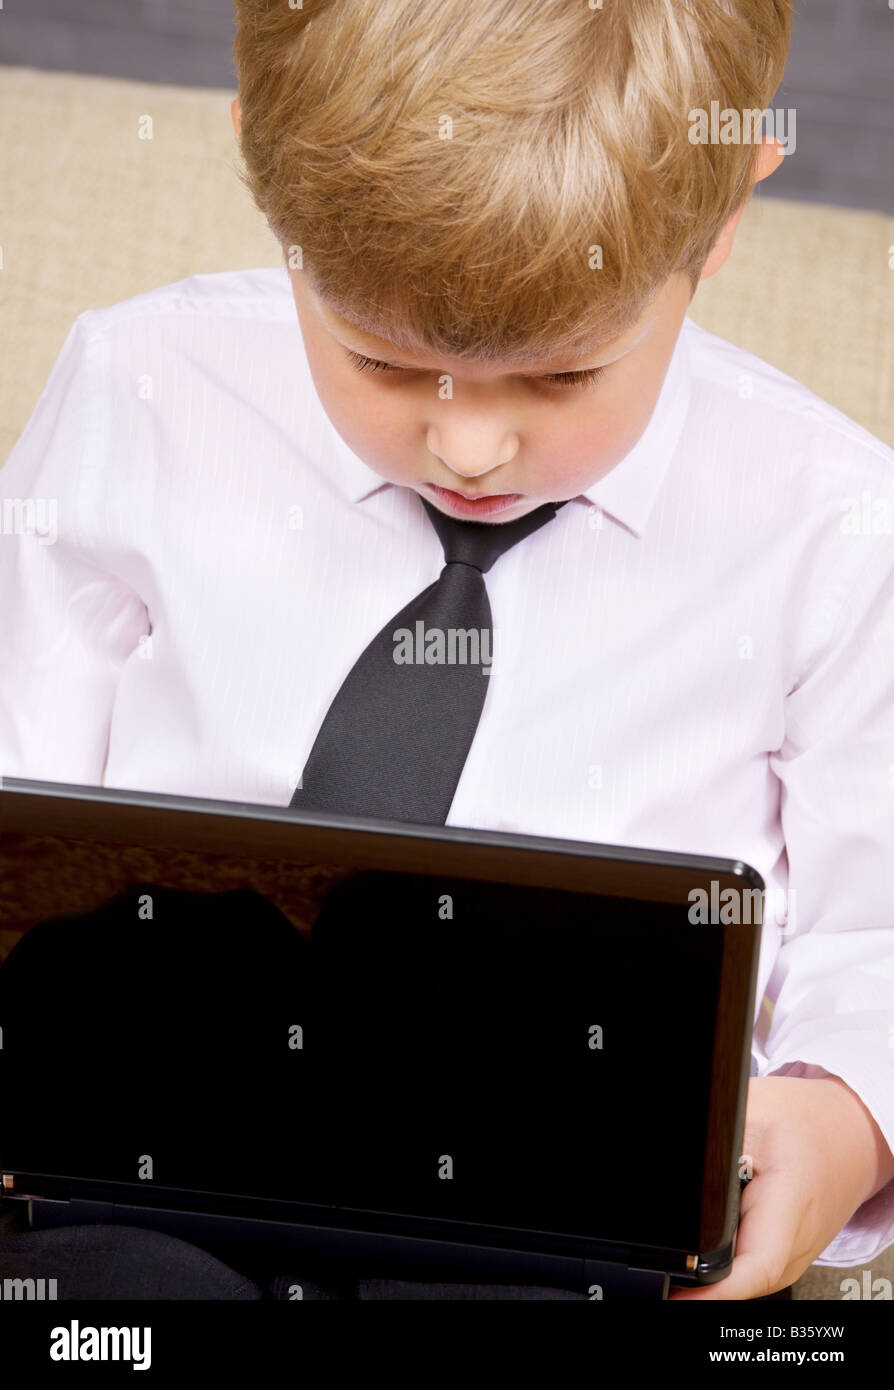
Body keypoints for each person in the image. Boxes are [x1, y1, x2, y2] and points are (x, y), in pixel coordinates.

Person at [0, 0, 892, 1301]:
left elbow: (877, 929)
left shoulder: (832, 525)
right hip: (142, 1174)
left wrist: (833, 1120)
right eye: (380, 359)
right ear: (265, 179)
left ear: (725, 214)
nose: (468, 448)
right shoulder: (142, 382)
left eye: (560, 377)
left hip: (561, 1228)